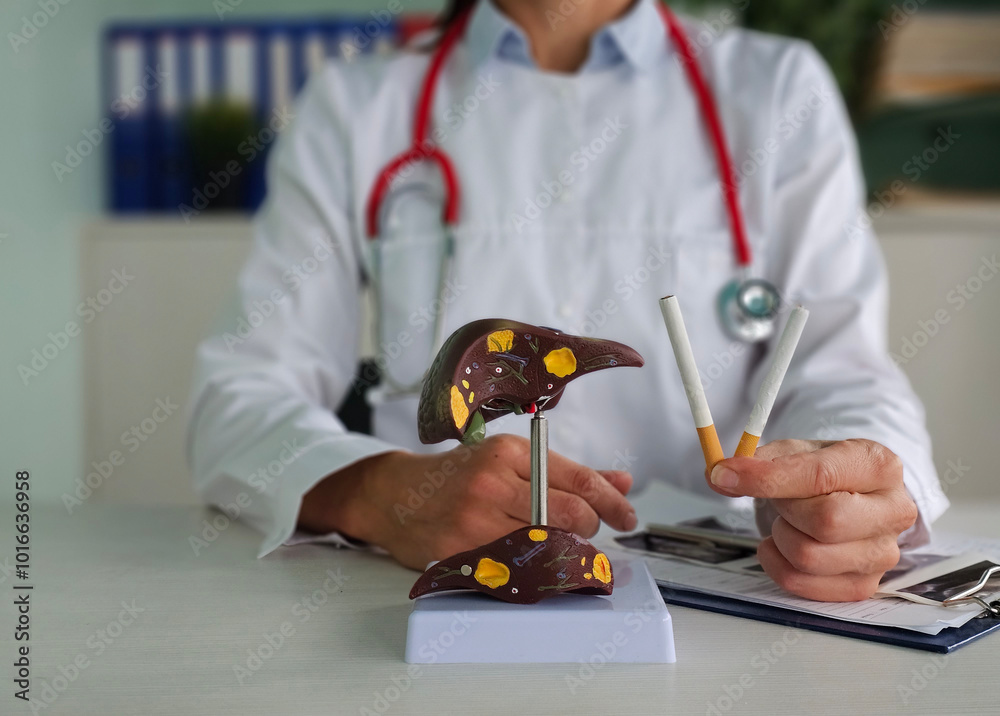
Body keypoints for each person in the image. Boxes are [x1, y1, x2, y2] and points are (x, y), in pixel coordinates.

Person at [187, 0, 947, 602]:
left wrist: (858, 490)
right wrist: (379, 492)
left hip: (722, 609)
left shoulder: (776, 89)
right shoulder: (357, 105)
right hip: (434, 598)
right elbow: (241, 393)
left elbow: (840, 369)